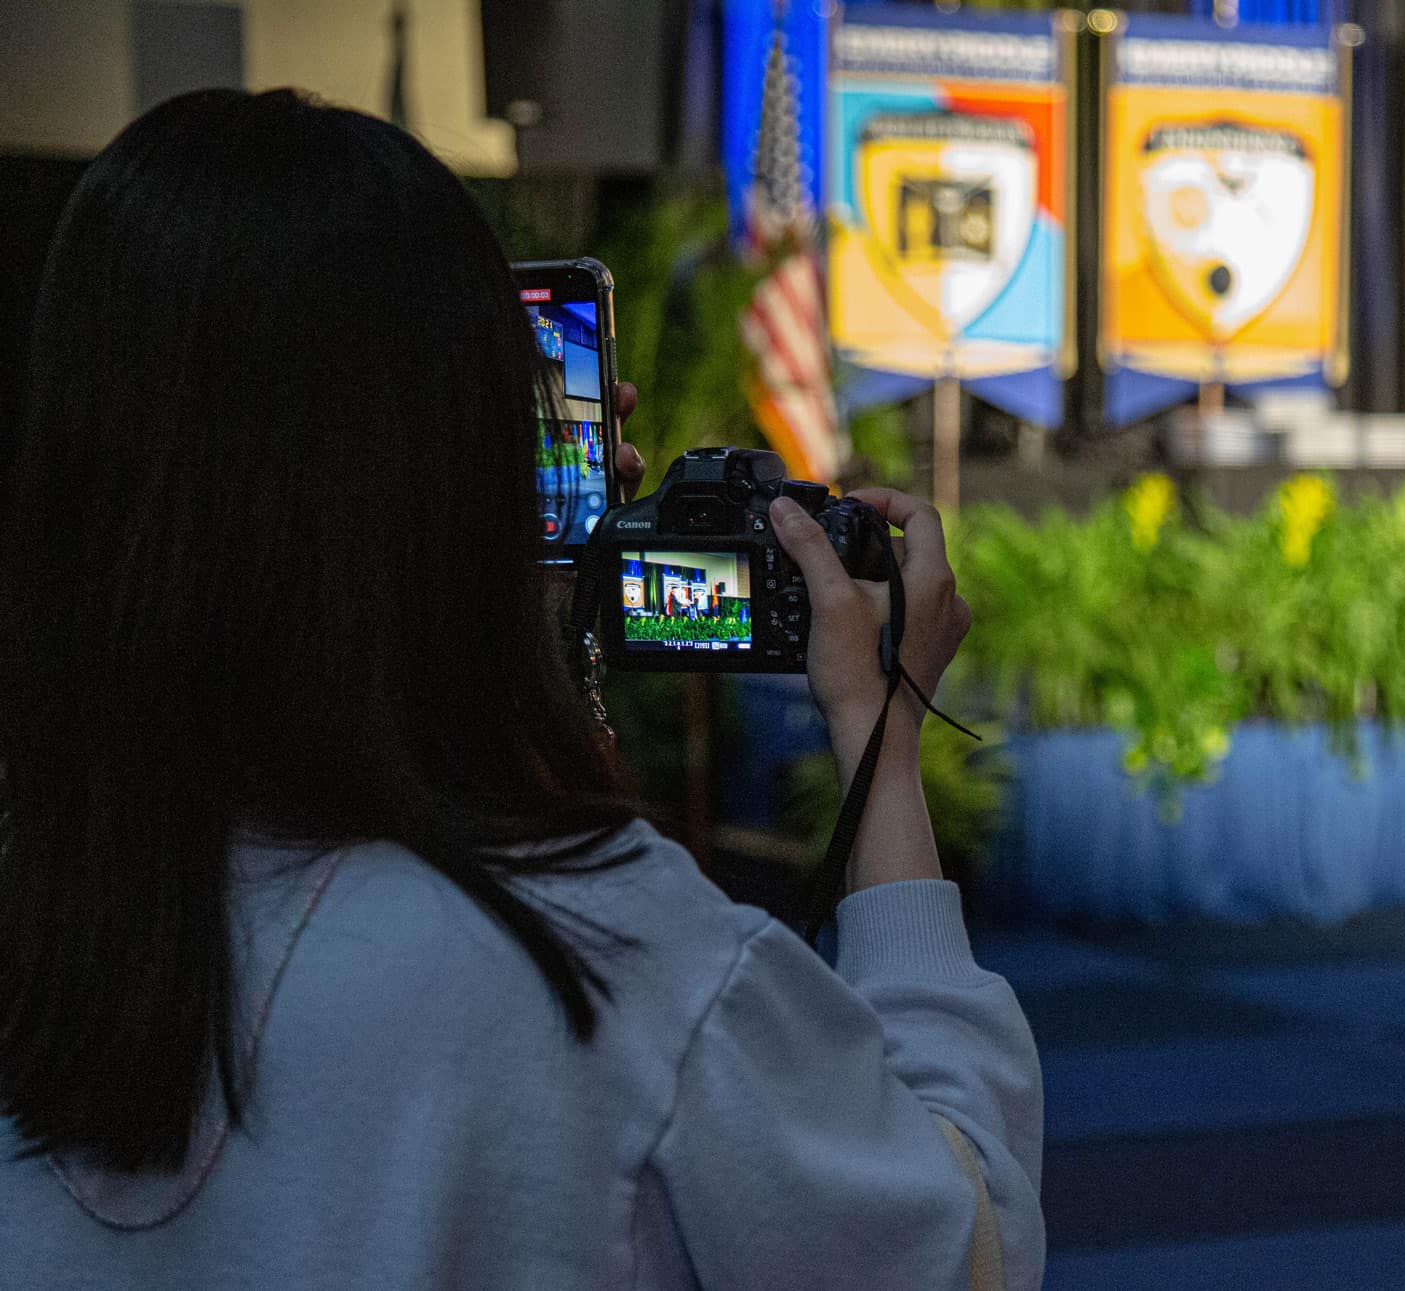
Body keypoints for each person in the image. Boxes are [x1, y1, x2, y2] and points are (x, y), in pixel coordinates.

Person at [0, 89, 1042, 1289]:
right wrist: (882, 730)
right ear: (461, 463)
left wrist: (527, 601)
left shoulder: (49, 892)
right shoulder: (599, 954)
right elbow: (964, 1243)